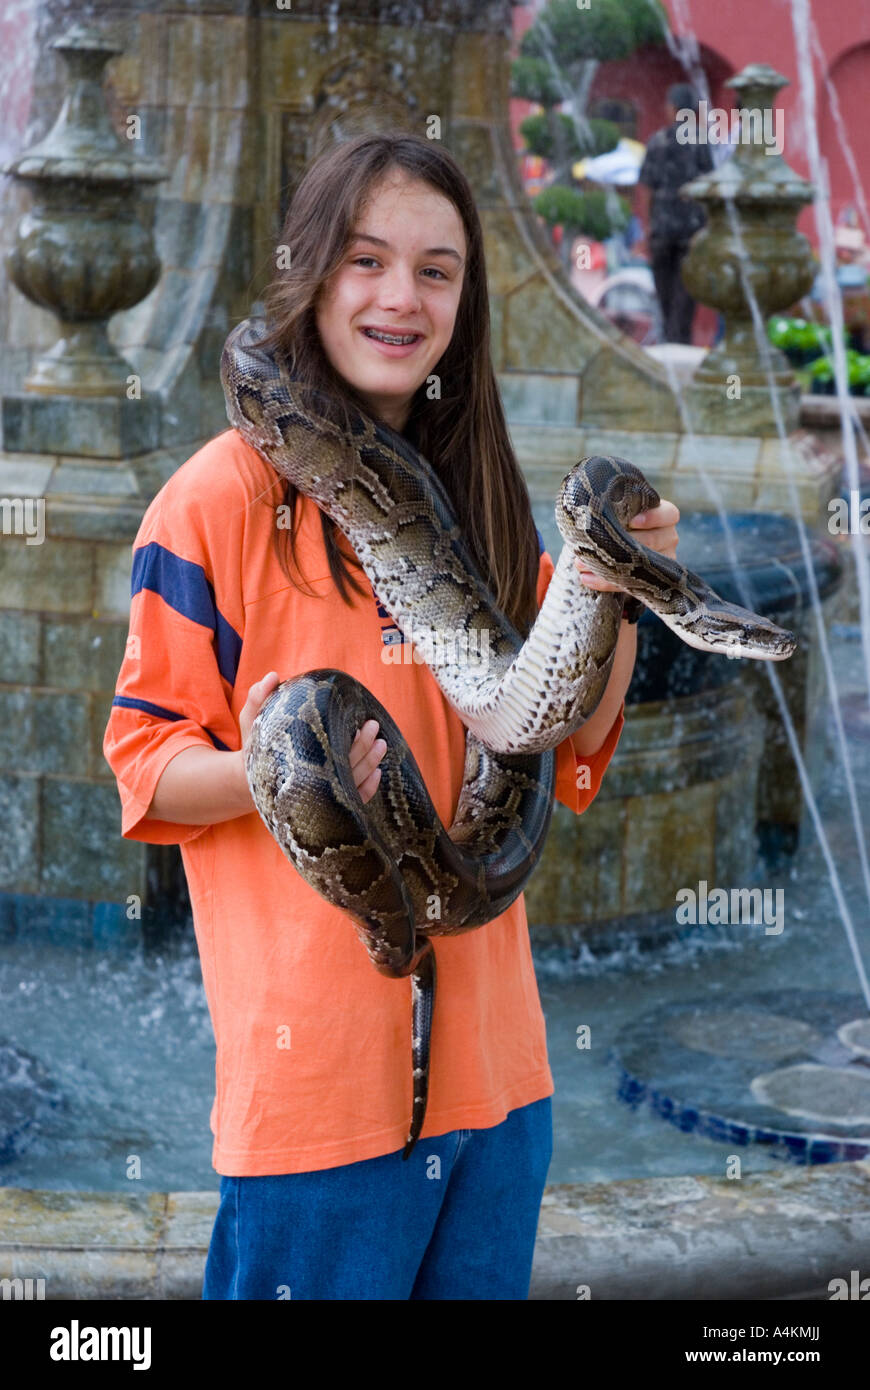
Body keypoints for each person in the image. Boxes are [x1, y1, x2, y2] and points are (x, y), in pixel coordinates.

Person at [102, 131, 680, 1301]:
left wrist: (617, 597)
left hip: (499, 1087)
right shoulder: (217, 499)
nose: (399, 297)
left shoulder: (482, 499)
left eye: (437, 269)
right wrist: (279, 756)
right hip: (316, 1095)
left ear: (467, 302)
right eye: (366, 260)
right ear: (311, 272)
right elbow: (146, 768)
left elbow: (560, 740)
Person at [637, 83, 715, 344]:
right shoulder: (701, 142)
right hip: (692, 232)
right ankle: (679, 343)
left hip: (662, 230)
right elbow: (710, 185)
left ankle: (669, 346)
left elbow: (646, 187)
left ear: (674, 109)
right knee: (685, 298)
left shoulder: (657, 141)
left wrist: (647, 227)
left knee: (665, 297)